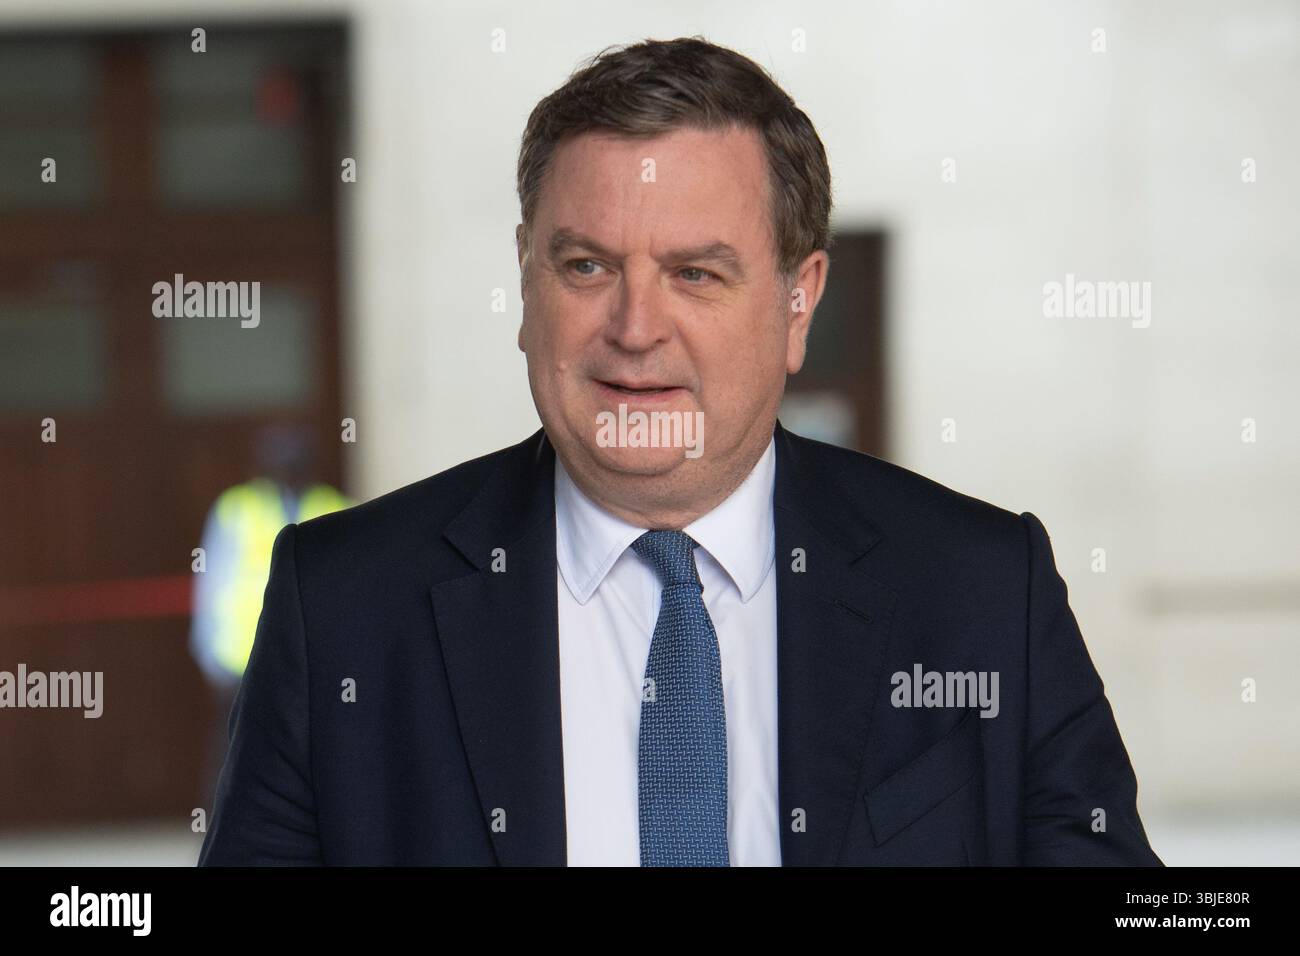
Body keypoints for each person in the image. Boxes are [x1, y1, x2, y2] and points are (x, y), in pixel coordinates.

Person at [200, 37, 1161, 866]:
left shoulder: (983, 592)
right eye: (587, 267)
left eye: (695, 273)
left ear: (799, 302)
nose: (635, 326)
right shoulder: (343, 606)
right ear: (526, 285)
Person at [190, 424, 351, 808]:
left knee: (313, 761)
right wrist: (207, 651)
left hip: (314, 663)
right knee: (232, 758)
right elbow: (211, 582)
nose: (288, 466)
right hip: (241, 658)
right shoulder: (237, 508)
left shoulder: (334, 507)